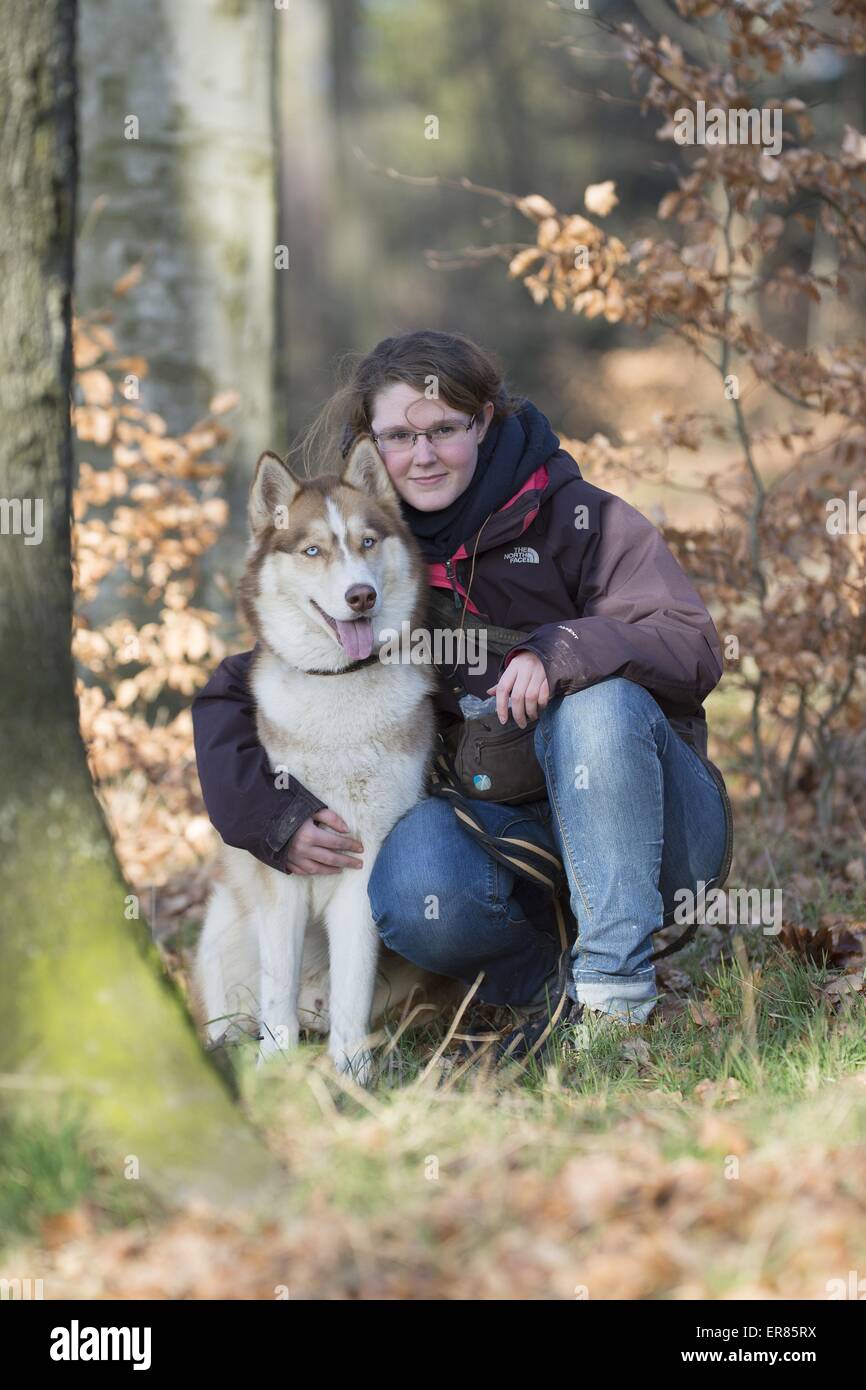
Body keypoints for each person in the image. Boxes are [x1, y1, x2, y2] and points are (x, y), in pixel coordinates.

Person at [192, 329, 733, 1068]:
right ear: (371, 445)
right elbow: (235, 690)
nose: (422, 454)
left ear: (482, 422)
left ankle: (613, 997)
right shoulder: (370, 544)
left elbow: (692, 640)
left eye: (444, 428)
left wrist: (565, 649)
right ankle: (547, 989)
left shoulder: (578, 519)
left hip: (657, 826)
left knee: (598, 706)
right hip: (502, 835)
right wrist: (269, 817)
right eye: (398, 436)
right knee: (410, 884)